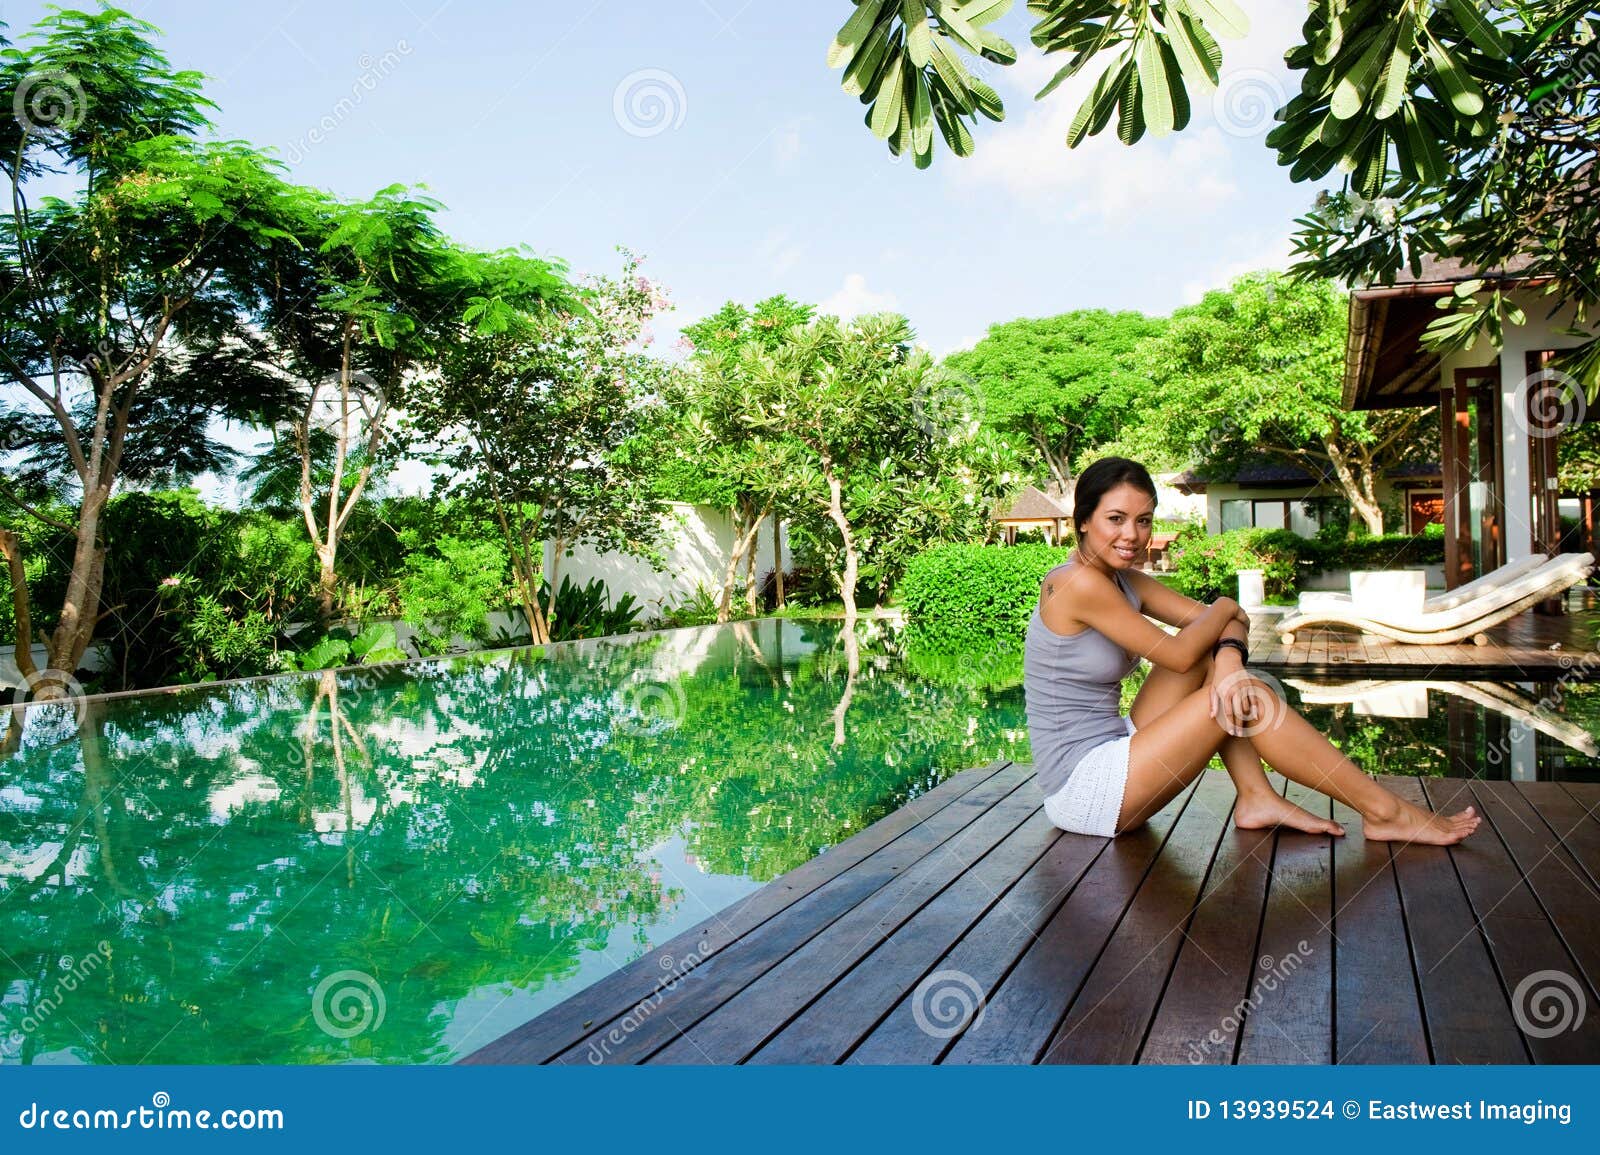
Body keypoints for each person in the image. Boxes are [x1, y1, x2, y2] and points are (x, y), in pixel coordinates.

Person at [1024, 456, 1481, 844]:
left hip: (1119, 744)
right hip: (1083, 789)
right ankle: (1386, 812)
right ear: (1083, 520)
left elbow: (1231, 626)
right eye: (1115, 519)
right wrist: (1223, 608)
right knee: (1243, 693)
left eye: (1143, 520)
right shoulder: (1076, 583)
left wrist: (1226, 660)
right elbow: (1187, 649)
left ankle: (1257, 796)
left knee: (1223, 672)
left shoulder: (1125, 581)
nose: (1133, 535)